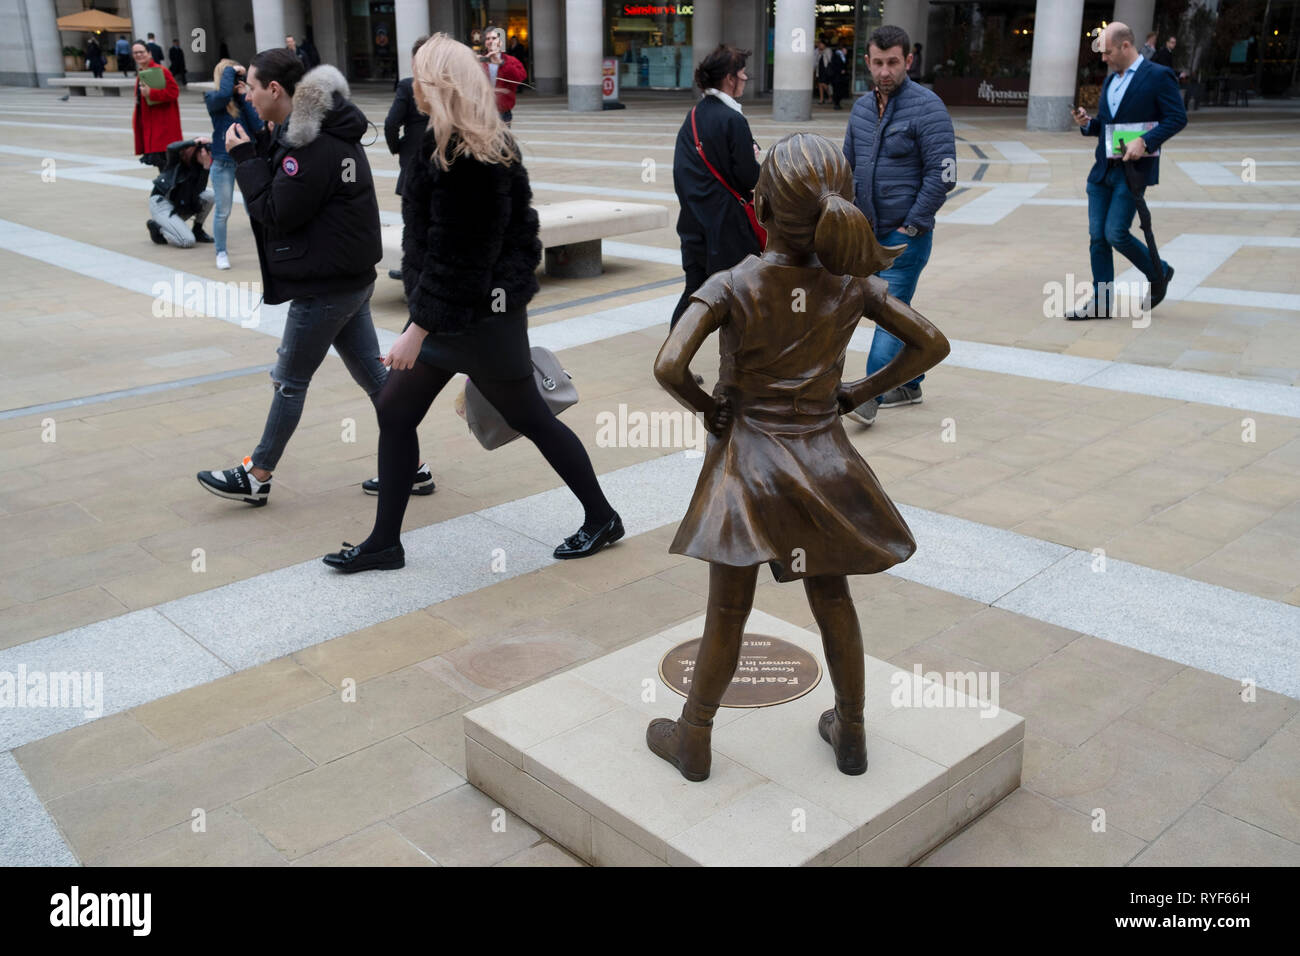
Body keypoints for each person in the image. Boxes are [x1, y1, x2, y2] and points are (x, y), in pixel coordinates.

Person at [646, 133, 951, 782]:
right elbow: (932, 344)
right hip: (823, 463)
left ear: (760, 206)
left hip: (746, 465)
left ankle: (694, 737)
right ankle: (852, 732)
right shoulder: (853, 288)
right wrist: (858, 393)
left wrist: (707, 409)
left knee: (728, 609)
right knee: (832, 598)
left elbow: (669, 366)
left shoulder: (730, 284)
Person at [323, 34, 623, 573]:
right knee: (395, 410)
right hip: (454, 313)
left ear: (439, 84)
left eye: (418, 75)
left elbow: (462, 259)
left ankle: (601, 515)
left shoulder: (473, 153)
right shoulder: (448, 139)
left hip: (482, 320)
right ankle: (384, 543)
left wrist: (417, 328)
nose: (411, 84)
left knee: (531, 416)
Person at [198, 50, 434, 505]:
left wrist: (246, 156)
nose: (245, 94)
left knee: (290, 380)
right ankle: (412, 468)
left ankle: (257, 474)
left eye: (250, 85)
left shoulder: (312, 145)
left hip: (326, 283)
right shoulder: (315, 131)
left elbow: (275, 212)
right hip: (344, 275)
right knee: (376, 380)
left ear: (274, 90)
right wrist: (263, 146)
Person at [842, 24, 955, 426]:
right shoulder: (859, 109)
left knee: (888, 312)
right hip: (865, 235)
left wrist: (913, 225)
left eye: (893, 62)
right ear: (868, 62)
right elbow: (846, 168)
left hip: (905, 237)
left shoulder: (928, 107)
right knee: (884, 310)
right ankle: (911, 380)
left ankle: (866, 398)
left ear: (908, 61)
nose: (885, 71)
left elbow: (943, 173)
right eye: (878, 62)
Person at [1069, 22, 1186, 319]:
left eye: (1107, 52)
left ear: (1125, 46)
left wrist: (1145, 142)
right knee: (1098, 237)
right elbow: (1107, 126)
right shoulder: (1111, 81)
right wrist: (1088, 124)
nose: (1104, 59)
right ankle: (1101, 303)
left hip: (1132, 172)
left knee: (1115, 233)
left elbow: (1177, 118)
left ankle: (1159, 271)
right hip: (1101, 172)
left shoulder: (1158, 76)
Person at [670, 45, 762, 333]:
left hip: (694, 225)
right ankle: (737, 368)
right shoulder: (734, 120)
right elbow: (748, 178)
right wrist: (756, 159)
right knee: (741, 298)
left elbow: (682, 173)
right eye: (743, 73)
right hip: (729, 230)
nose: (746, 78)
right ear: (729, 78)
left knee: (694, 294)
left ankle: (672, 364)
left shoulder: (694, 116)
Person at [205, 58, 264, 270]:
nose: (239, 79)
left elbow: (258, 126)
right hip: (223, 163)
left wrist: (242, 97)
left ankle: (265, 247)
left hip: (247, 160)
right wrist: (231, 71)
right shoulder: (213, 98)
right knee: (223, 210)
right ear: (225, 77)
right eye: (233, 75)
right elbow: (222, 96)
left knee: (255, 208)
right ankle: (221, 252)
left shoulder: (243, 98)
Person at [382, 34, 431, 282]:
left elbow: (391, 123)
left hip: (413, 160)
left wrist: (397, 147)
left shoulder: (408, 86)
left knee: (413, 221)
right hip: (442, 160)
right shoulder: (450, 87)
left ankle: (412, 267)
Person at [146, 138, 214, 247]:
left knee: (210, 195)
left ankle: (197, 230)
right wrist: (194, 142)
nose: (209, 157)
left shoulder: (201, 166)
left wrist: (206, 168)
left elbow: (199, 190)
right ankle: (158, 227)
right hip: (162, 203)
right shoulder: (177, 161)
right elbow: (171, 147)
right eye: (206, 153)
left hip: (179, 204)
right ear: (196, 151)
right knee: (187, 241)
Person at [131, 40, 182, 171]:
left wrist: (151, 93)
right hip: (150, 127)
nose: (138, 55)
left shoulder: (161, 71)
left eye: (141, 52)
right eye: (135, 53)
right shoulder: (141, 73)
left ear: (149, 53)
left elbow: (174, 92)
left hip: (163, 128)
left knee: (167, 168)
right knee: (162, 168)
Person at [481, 26, 527, 124]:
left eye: (494, 38)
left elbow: (519, 78)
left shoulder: (511, 61)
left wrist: (502, 63)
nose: (490, 41)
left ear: (500, 42)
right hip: (482, 112)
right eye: (487, 39)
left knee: (503, 139)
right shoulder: (479, 61)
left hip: (503, 112)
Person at [828, 42, 850, 109]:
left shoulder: (844, 56)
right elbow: (834, 65)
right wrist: (840, 70)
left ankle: (838, 103)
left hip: (842, 77)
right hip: (836, 76)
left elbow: (846, 65)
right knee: (836, 90)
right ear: (842, 49)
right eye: (845, 49)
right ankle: (836, 104)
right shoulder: (836, 55)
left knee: (841, 90)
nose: (846, 51)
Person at [815, 39, 832, 105]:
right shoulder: (818, 52)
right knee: (819, 84)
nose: (819, 45)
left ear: (824, 45)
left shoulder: (828, 50)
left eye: (821, 44)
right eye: (819, 44)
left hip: (826, 70)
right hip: (819, 70)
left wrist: (823, 52)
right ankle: (821, 99)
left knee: (824, 84)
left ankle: (830, 97)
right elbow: (816, 60)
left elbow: (829, 59)